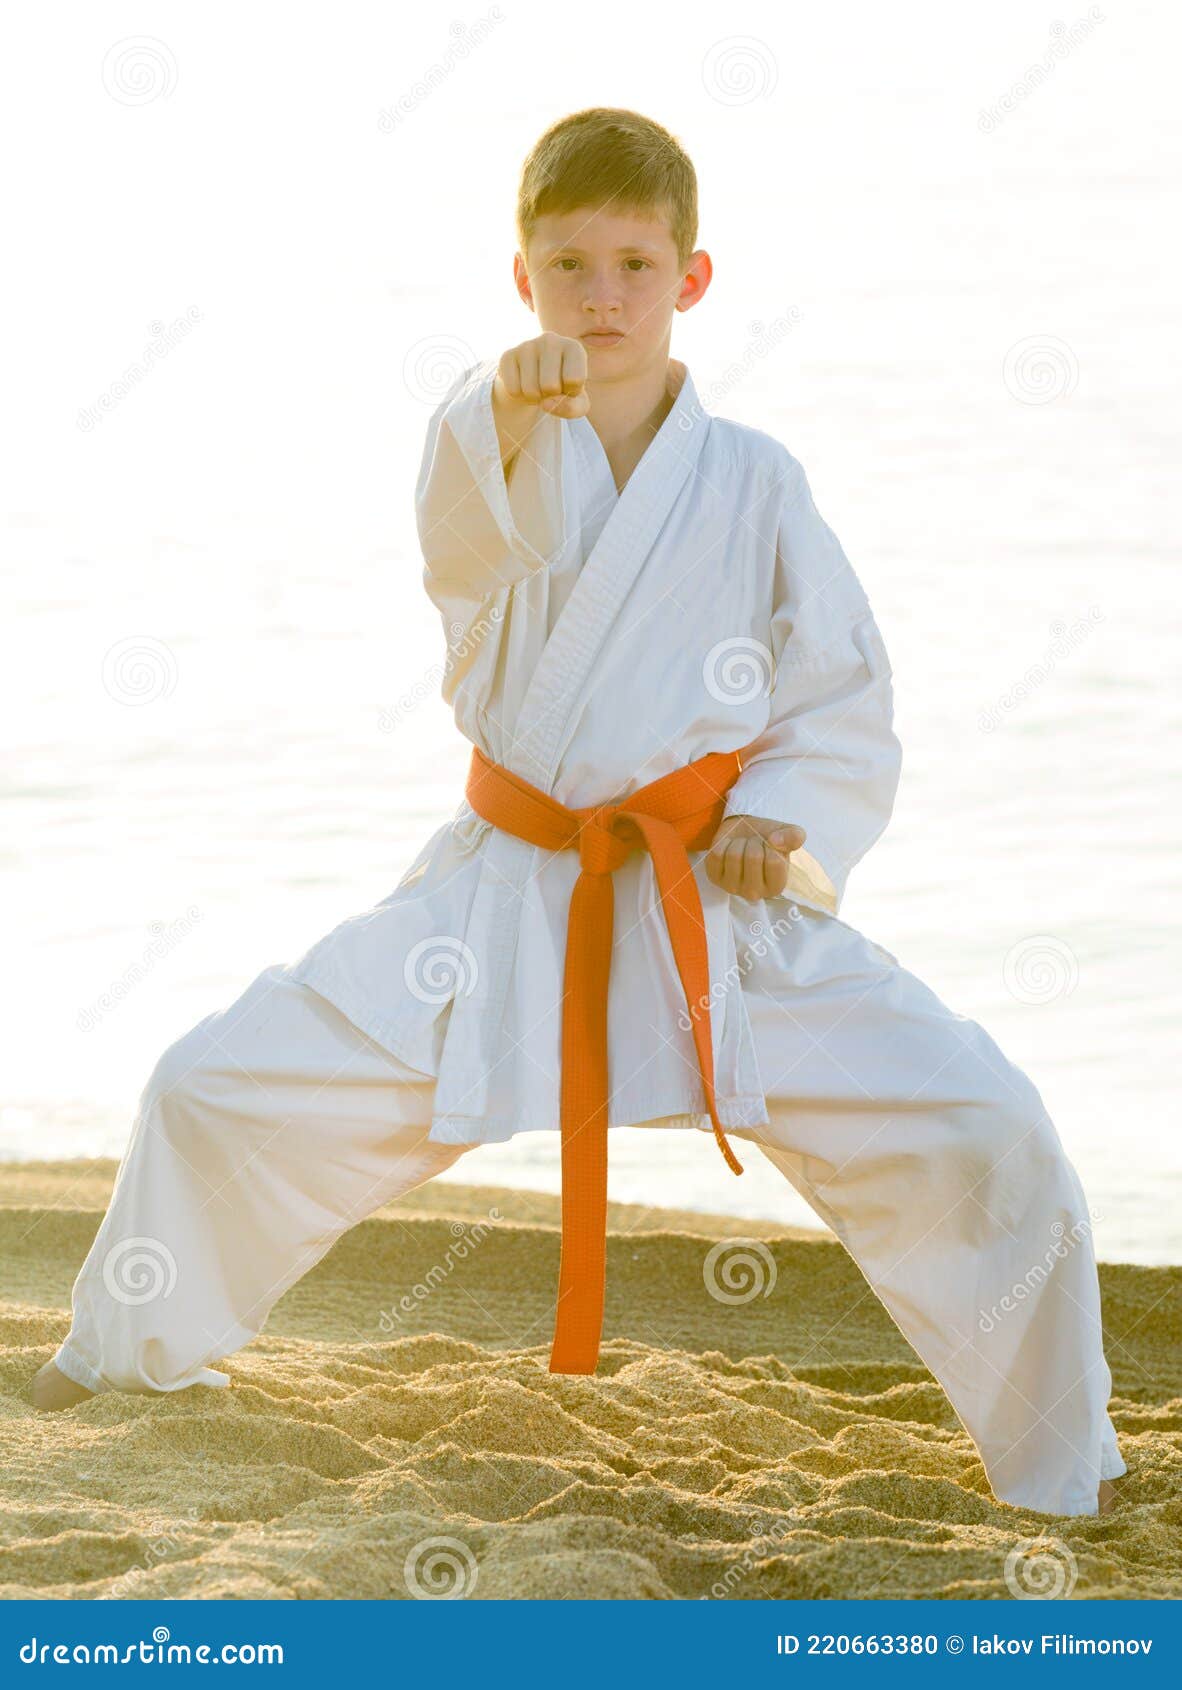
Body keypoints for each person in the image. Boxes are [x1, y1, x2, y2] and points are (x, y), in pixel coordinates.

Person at [32, 107, 1125, 1518]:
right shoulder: (489, 436)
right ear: (522, 280)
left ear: (691, 278)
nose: (599, 295)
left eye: (630, 262)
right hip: (501, 899)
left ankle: (1058, 1462)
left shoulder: (754, 482)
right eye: (567, 266)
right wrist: (499, 406)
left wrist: (780, 816)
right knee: (212, 1084)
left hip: (708, 913)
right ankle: (128, 1354)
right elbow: (462, 546)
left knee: (986, 1128)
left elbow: (839, 684)